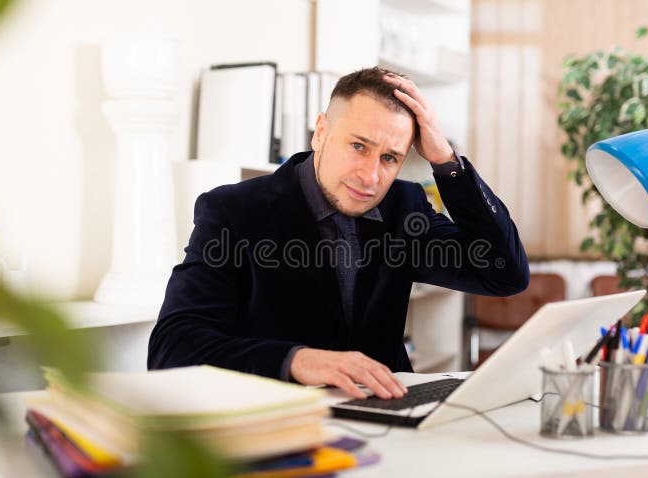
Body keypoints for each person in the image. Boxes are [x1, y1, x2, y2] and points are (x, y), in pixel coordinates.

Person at [148, 67, 529, 400]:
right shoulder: (234, 211)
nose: (370, 176)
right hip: (283, 417)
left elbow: (504, 273)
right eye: (358, 146)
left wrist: (445, 161)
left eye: (389, 157)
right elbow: (172, 349)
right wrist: (295, 360)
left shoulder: (404, 208)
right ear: (321, 133)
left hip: (387, 416)